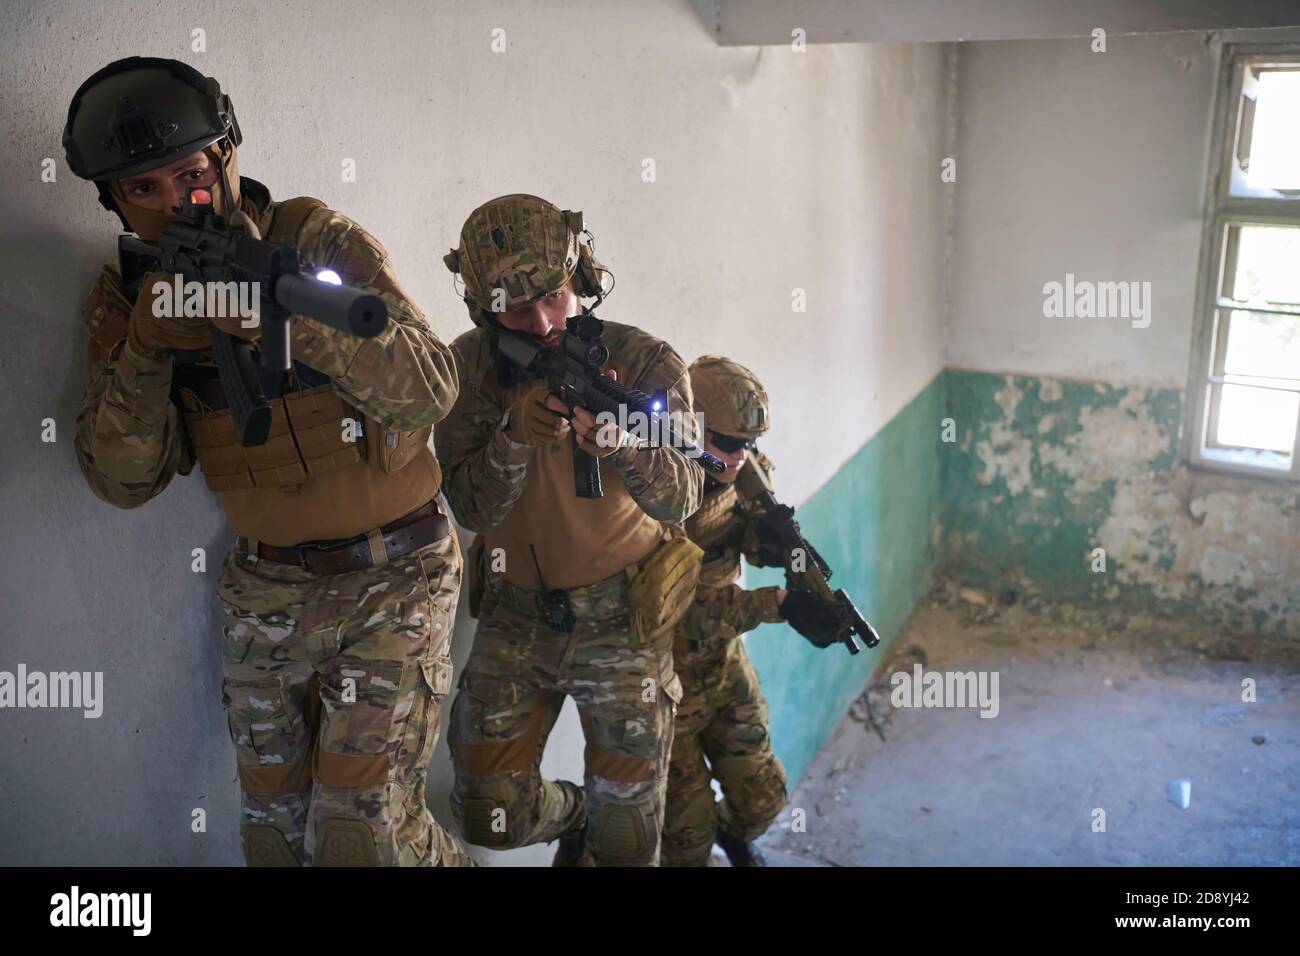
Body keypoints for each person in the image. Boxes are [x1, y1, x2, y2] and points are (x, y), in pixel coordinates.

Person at [65, 57, 470, 866]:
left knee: (360, 842)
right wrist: (147, 345)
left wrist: (274, 319)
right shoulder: (128, 298)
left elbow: (429, 388)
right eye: (144, 188)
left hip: (397, 572)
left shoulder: (312, 241)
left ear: (227, 154)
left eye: (191, 174)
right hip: (265, 587)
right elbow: (122, 481)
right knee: (275, 843)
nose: (177, 202)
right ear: (114, 200)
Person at [436, 193, 705, 865]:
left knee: (627, 843)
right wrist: (512, 438)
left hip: (623, 620)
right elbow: (470, 508)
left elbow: (684, 496)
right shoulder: (469, 369)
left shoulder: (646, 361)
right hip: (515, 616)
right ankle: (577, 815)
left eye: (554, 296)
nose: (541, 322)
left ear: (579, 277)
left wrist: (626, 449)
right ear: (482, 309)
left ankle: (603, 825)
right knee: (489, 815)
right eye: (514, 309)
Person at [661, 356, 834, 867]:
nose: (742, 456)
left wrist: (778, 541)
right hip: (663, 678)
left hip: (723, 660)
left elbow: (751, 549)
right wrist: (776, 604)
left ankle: (730, 837)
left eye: (750, 444)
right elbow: (676, 610)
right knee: (686, 842)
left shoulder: (745, 473)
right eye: (729, 443)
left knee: (763, 799)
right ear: (691, 427)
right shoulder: (657, 489)